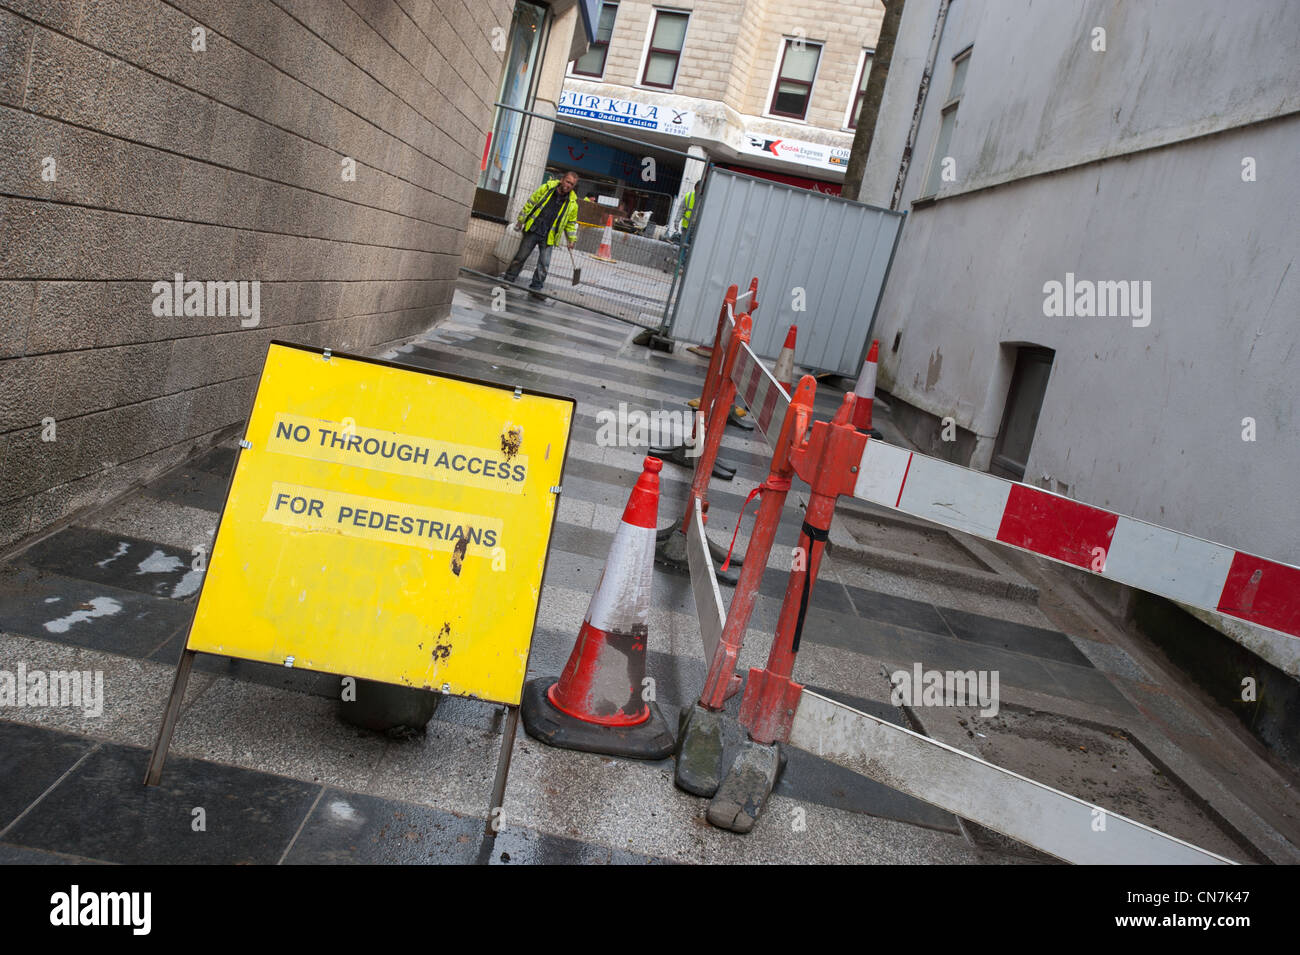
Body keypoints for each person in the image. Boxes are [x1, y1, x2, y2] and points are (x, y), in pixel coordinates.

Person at [503, 170, 580, 297]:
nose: (568, 186)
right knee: (521, 257)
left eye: (572, 184)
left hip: (549, 236)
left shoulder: (572, 203)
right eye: (567, 182)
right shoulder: (546, 188)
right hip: (534, 229)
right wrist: (521, 220)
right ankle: (508, 279)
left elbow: (570, 224)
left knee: (544, 264)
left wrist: (571, 240)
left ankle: (536, 288)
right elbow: (531, 203)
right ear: (562, 180)